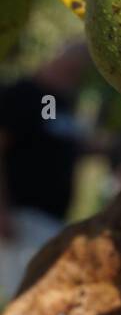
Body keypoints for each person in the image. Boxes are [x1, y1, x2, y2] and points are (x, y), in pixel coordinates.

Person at [0, 41, 91, 300]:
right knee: (29, 300)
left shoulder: (59, 101)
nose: (74, 76)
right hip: (21, 218)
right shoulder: (23, 94)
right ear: (59, 60)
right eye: (71, 69)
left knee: (44, 300)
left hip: (51, 219)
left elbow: (64, 143)